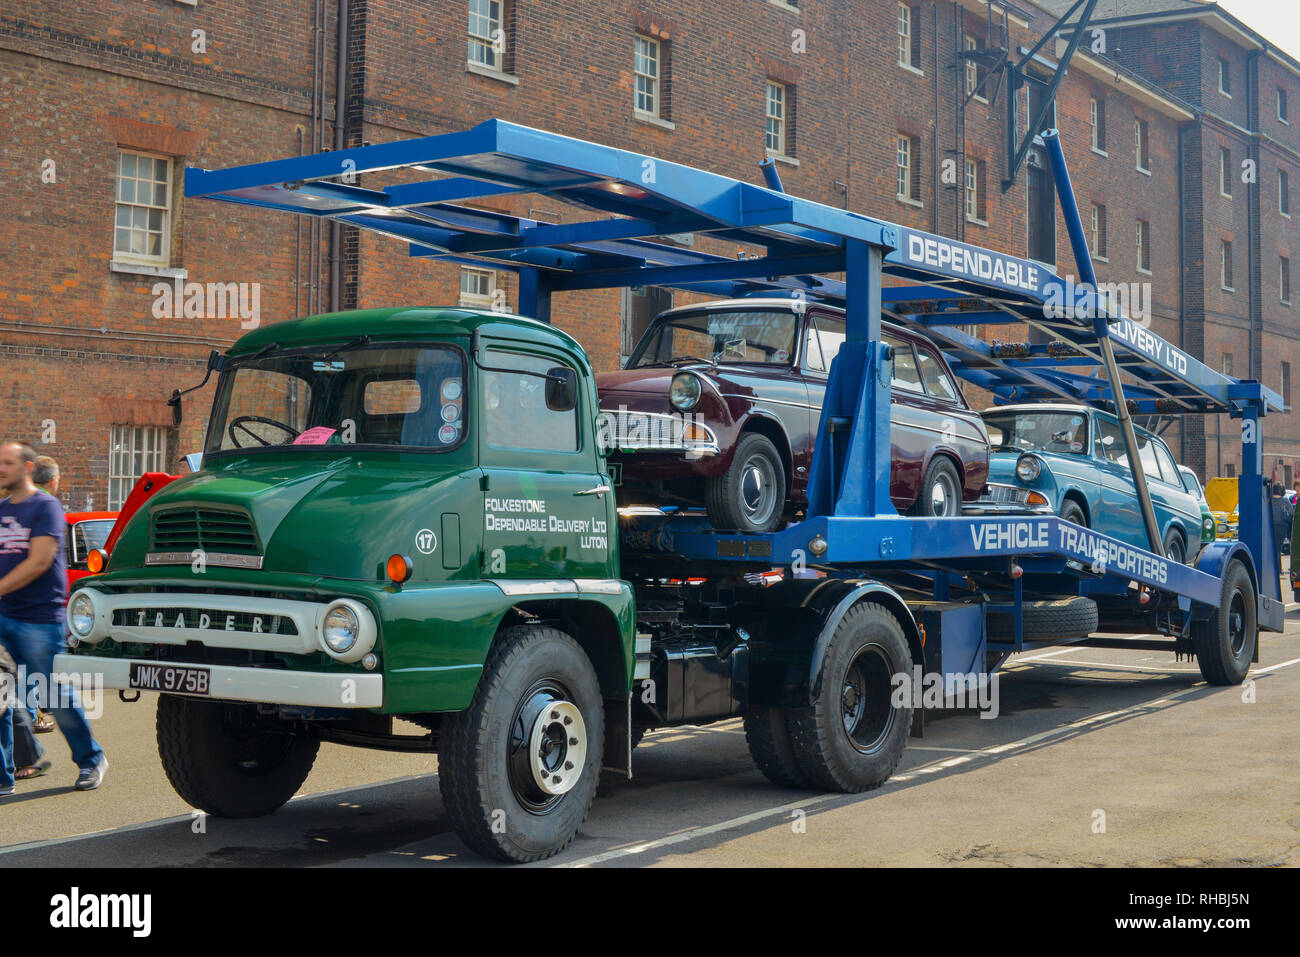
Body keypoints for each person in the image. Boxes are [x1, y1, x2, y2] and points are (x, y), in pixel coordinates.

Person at [0, 441, 107, 790]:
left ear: (28, 468)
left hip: (39, 619)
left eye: (8, 463)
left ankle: (91, 759)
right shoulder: (2, 509)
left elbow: (40, 561)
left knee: (51, 696)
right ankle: (13, 769)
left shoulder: (45, 507)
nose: (1, 469)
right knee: (5, 692)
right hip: (5, 613)